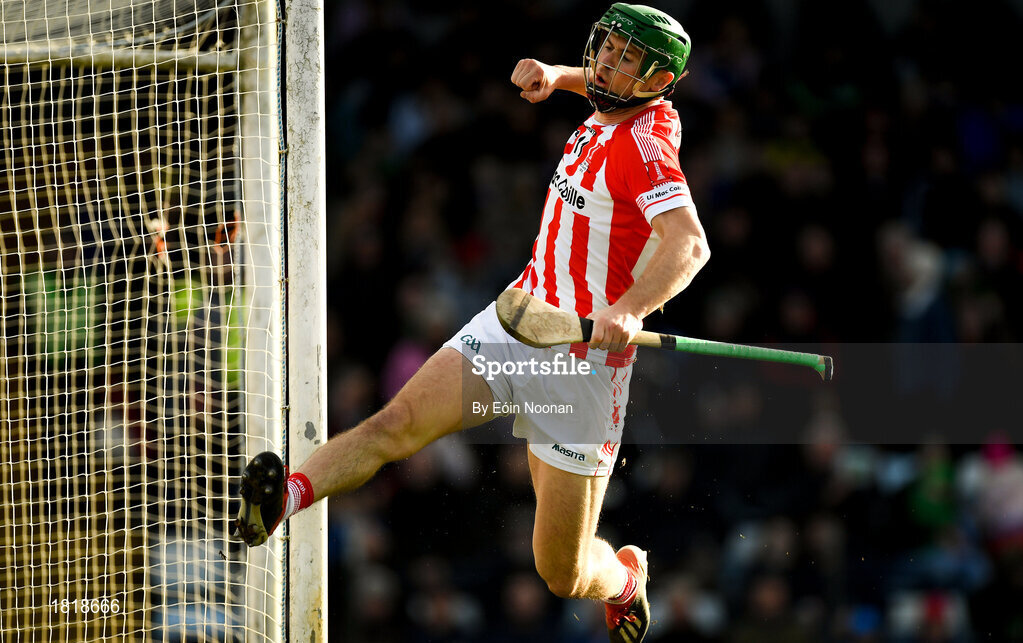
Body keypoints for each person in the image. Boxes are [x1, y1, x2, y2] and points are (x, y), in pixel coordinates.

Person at [234, 4, 708, 641]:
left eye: (626, 59)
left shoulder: (644, 146)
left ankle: (624, 580)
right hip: (516, 321)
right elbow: (597, 83)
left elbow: (689, 243)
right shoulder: (617, 105)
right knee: (395, 425)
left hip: (582, 366)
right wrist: (560, 77)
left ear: (655, 82)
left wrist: (628, 309)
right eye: (608, 48)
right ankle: (282, 501)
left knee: (560, 572)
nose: (606, 62)